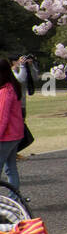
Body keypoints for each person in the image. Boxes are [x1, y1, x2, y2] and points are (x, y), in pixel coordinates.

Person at [0, 62, 23, 190]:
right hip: (15, 135)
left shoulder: (5, 92)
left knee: (8, 168)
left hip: (6, 136)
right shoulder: (13, 87)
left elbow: (2, 118)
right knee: (11, 169)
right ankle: (14, 199)